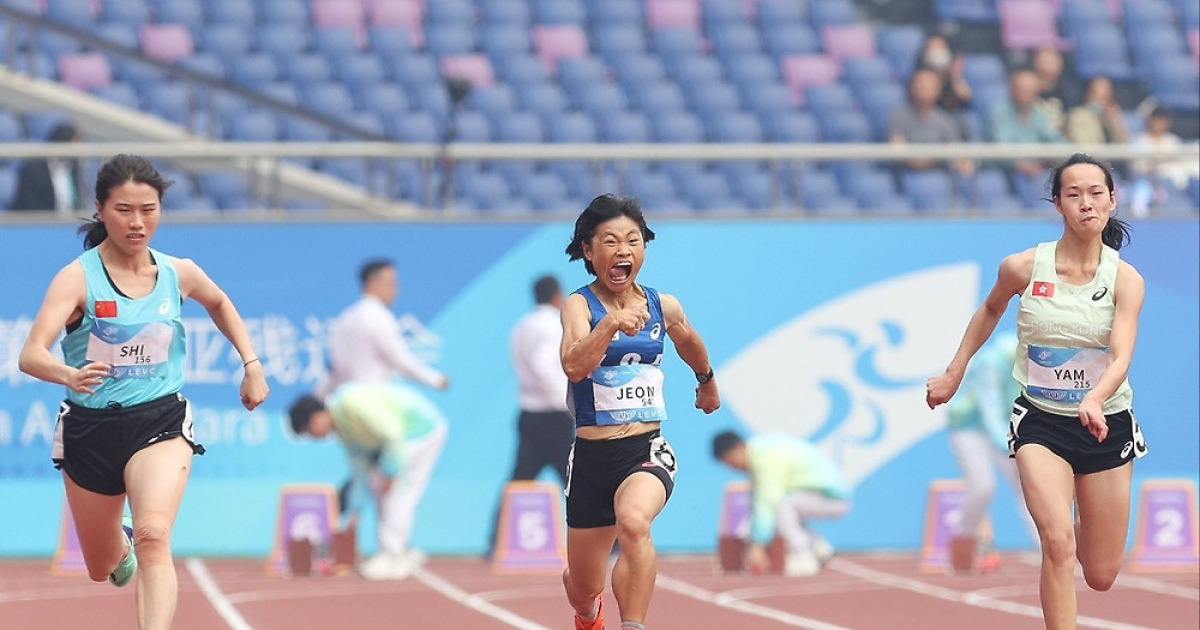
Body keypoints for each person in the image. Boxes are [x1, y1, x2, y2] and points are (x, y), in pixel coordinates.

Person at [17, 154, 268, 630]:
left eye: (148, 210)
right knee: (101, 567)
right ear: (100, 209)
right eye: (124, 210)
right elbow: (32, 353)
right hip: (90, 428)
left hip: (158, 421)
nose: (137, 223)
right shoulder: (77, 278)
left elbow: (219, 302)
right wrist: (67, 375)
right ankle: (120, 546)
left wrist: (251, 364)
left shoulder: (178, 272)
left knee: (155, 534)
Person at [927, 153, 1148, 629]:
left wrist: (1093, 397)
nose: (1086, 203)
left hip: (1105, 423)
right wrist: (954, 372)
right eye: (1074, 194)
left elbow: (1121, 354)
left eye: (1095, 193)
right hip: (1041, 421)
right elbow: (989, 310)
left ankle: (1085, 519)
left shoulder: (1125, 280)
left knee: (1102, 573)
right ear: (1058, 204)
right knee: (1056, 542)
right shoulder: (1025, 266)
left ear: (1112, 201)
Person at [559, 194, 720, 630]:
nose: (623, 250)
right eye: (610, 242)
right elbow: (573, 365)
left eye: (633, 240)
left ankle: (634, 625)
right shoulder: (579, 306)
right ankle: (588, 611)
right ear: (589, 252)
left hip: (645, 450)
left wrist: (706, 380)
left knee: (634, 523)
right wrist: (611, 324)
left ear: (644, 249)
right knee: (583, 586)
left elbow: (687, 339)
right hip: (592, 458)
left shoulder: (661, 304)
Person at [288, 380, 447, 581]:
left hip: (420, 431)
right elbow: (361, 472)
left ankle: (394, 555)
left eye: (311, 434)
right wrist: (355, 511)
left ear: (316, 419)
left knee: (398, 494)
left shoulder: (350, 404)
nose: (316, 439)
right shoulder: (344, 430)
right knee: (381, 487)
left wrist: (390, 473)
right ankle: (395, 551)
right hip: (401, 441)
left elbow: (393, 434)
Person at [486, 274, 574, 557]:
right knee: (577, 480)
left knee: (519, 480)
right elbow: (543, 365)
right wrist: (566, 402)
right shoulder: (552, 325)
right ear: (557, 296)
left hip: (529, 412)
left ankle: (497, 541)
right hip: (554, 415)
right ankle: (609, 543)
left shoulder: (521, 326)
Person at [944, 331, 1038, 573]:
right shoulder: (992, 361)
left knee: (1029, 487)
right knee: (982, 487)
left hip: (1005, 426)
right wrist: (1013, 445)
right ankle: (964, 548)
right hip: (968, 426)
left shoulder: (1032, 361)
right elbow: (990, 409)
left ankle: (1049, 550)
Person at [711, 431, 851, 577]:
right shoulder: (762, 451)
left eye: (730, 462)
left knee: (782, 506)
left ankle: (802, 556)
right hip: (817, 494)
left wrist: (758, 545)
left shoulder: (766, 458)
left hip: (832, 497)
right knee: (785, 510)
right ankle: (820, 548)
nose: (733, 468)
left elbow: (767, 503)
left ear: (738, 448)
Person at [317, 258, 450, 399]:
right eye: (391, 282)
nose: (396, 290)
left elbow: (333, 369)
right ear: (371, 283)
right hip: (374, 400)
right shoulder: (379, 316)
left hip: (344, 401)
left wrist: (318, 397)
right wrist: (436, 379)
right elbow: (399, 359)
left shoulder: (344, 318)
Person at [888, 67, 974, 175]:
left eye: (929, 85)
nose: (924, 89)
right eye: (920, 85)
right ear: (912, 87)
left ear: (938, 90)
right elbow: (898, 151)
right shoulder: (899, 117)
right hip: (908, 175)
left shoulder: (945, 120)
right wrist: (933, 159)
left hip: (939, 177)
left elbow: (956, 152)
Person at [1128, 106, 1199, 217]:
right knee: (1141, 192)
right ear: (1149, 120)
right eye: (1156, 120)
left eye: (1162, 121)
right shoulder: (1138, 140)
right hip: (1146, 182)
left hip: (1169, 185)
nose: (1158, 124)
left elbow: (1180, 165)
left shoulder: (1173, 141)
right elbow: (1137, 166)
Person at [9, 121, 85, 213]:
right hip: (42, 222)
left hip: (71, 223)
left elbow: (79, 201)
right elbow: (29, 206)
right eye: (74, 144)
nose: (78, 150)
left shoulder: (75, 168)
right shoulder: (33, 170)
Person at [912, 34, 975, 138]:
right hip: (925, 116)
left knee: (968, 121)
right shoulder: (919, 74)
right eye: (933, 50)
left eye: (941, 49)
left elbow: (966, 99)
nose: (937, 53)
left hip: (949, 117)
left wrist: (955, 75)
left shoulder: (951, 77)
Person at [1065, 76, 1129, 146]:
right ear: (1088, 95)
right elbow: (1084, 145)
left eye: (1106, 96)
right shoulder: (1078, 116)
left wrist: (1115, 123)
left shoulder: (1112, 117)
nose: (1103, 102)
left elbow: (1124, 144)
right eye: (1099, 96)